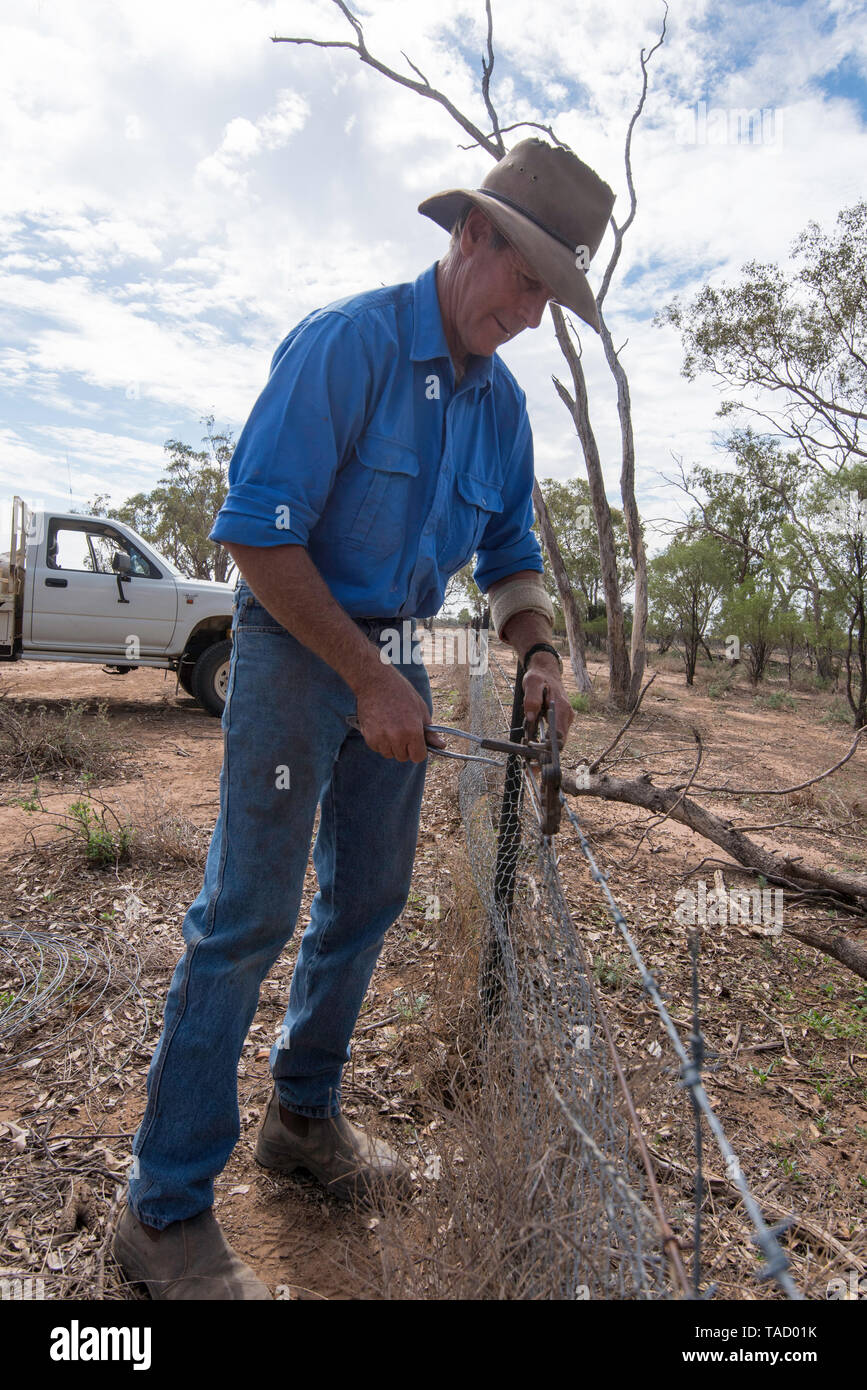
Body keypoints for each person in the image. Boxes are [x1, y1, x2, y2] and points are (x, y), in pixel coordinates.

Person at [112, 138, 615, 1300]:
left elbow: (512, 559)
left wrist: (538, 651)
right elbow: (252, 531)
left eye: (552, 293)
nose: (533, 314)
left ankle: (302, 1115)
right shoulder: (350, 344)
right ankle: (164, 1206)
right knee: (246, 914)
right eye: (526, 279)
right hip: (295, 647)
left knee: (372, 894)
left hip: (398, 660)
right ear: (470, 235)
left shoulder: (501, 411)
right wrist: (366, 674)